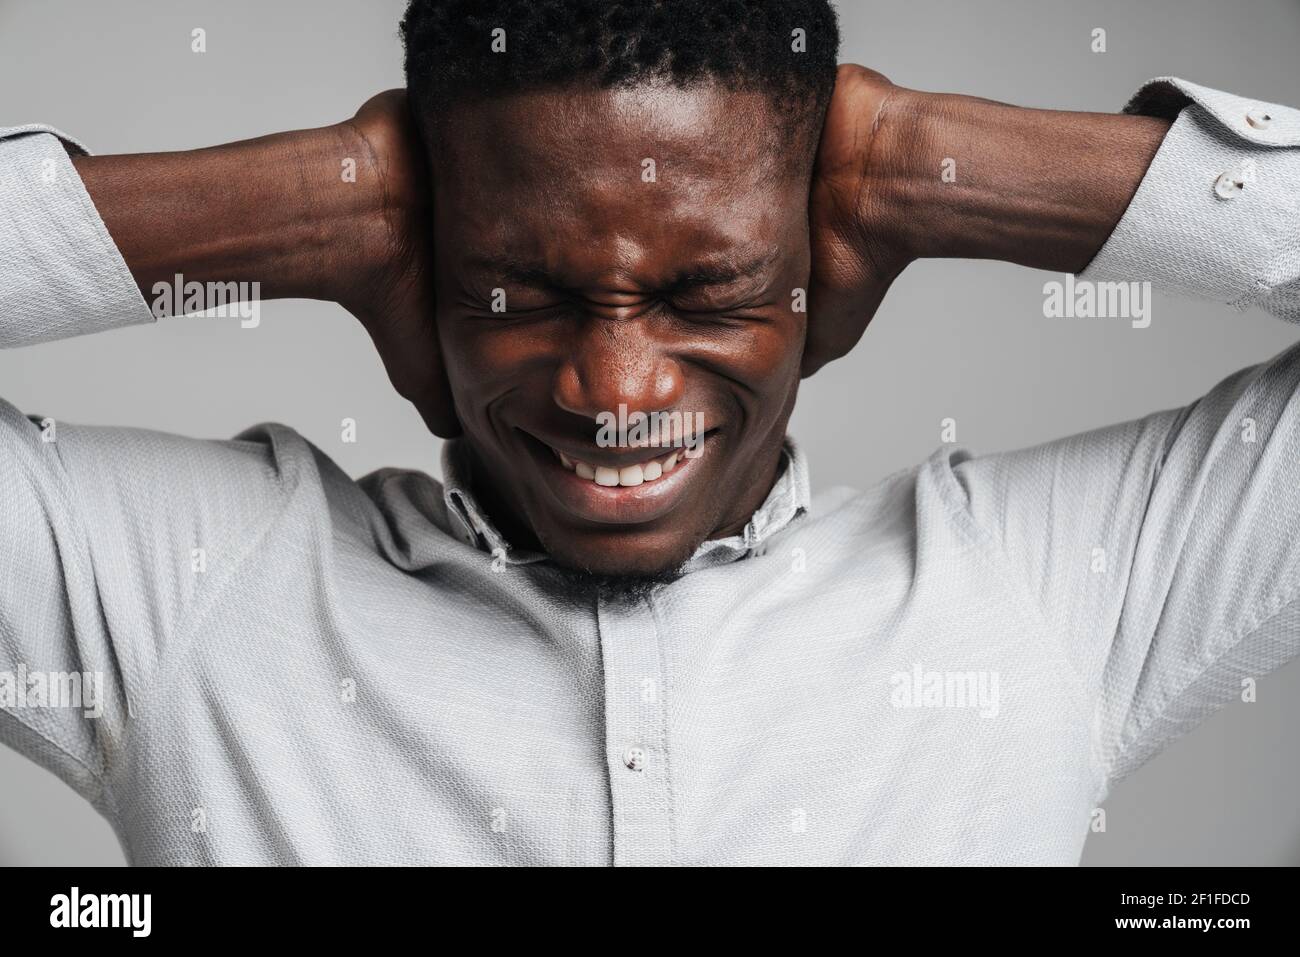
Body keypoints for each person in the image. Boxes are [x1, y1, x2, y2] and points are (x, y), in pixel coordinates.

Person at [1, 0, 1296, 865]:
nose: (612, 385)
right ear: (413, 278)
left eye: (707, 291)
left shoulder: (1046, 590)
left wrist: (930, 159)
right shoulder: (194, 592)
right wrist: (304, 202)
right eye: (527, 294)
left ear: (823, 276)